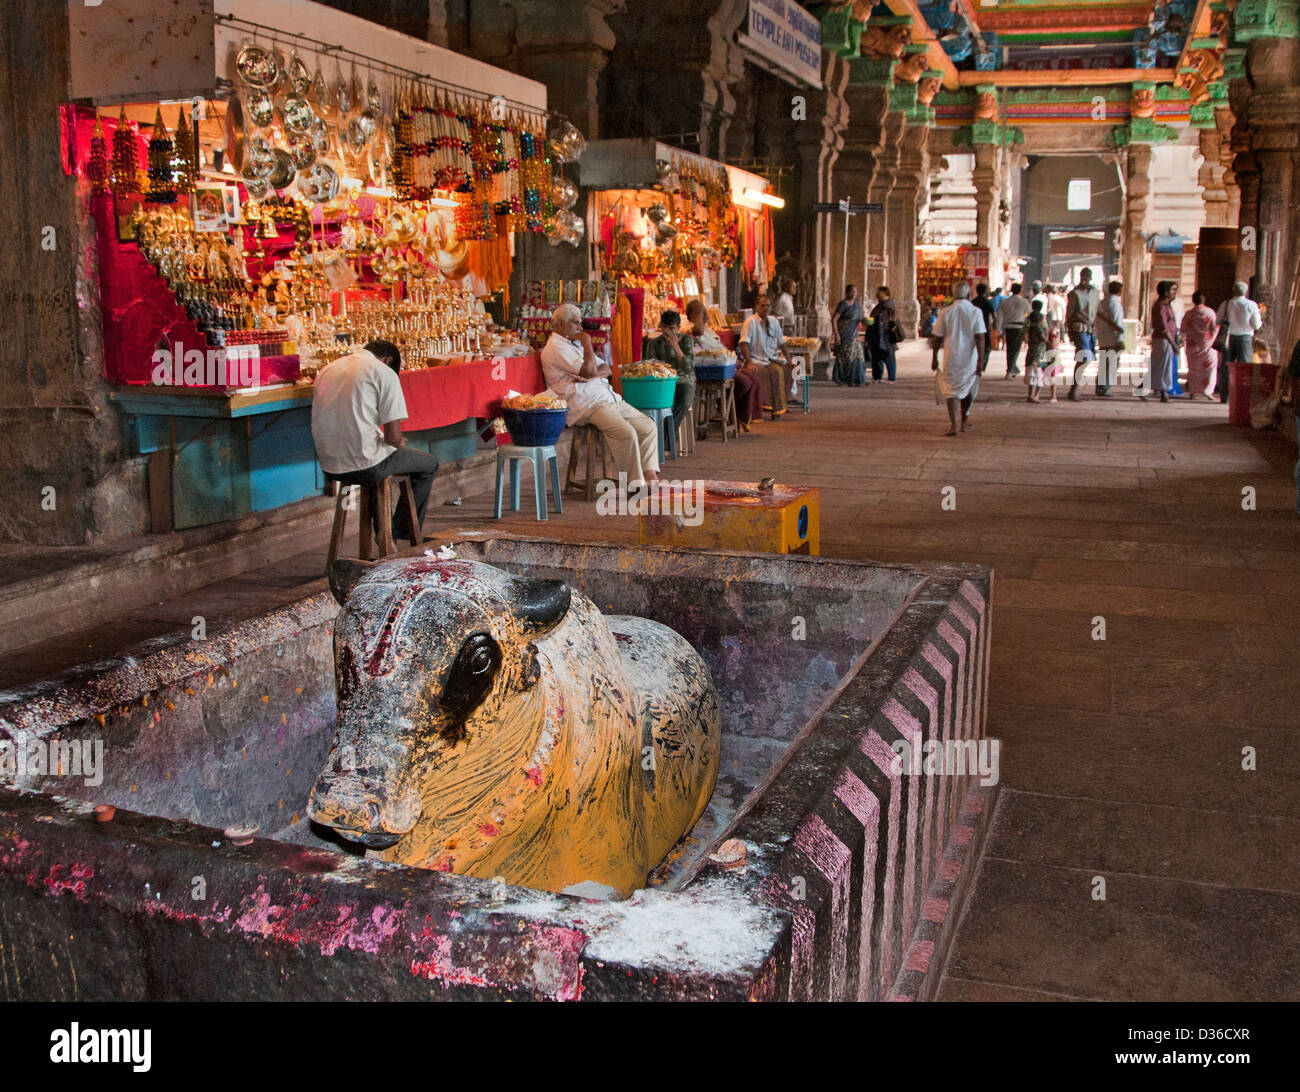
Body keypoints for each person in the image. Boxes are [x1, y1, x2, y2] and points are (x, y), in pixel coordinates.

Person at [311, 340, 440, 544]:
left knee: (375, 466)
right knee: (428, 464)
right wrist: (399, 442)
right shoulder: (384, 373)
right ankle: (397, 534)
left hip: (329, 465)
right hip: (364, 464)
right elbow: (393, 437)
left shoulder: (328, 369)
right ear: (388, 360)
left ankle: (384, 534)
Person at [541, 303, 659, 488]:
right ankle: (635, 485)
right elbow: (589, 370)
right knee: (625, 433)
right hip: (586, 403)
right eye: (576, 323)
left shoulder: (572, 344)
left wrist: (590, 374)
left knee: (647, 426)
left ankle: (649, 474)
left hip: (606, 397)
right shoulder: (556, 346)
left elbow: (606, 368)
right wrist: (587, 343)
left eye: (581, 323)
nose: (580, 328)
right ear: (562, 324)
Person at [686, 299, 761, 432]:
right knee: (744, 383)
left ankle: (738, 416)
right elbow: (701, 353)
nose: (703, 315)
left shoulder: (709, 331)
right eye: (699, 313)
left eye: (703, 312)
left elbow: (720, 348)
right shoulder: (689, 333)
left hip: (724, 364)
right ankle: (727, 409)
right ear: (692, 316)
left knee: (754, 379)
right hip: (710, 368)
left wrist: (733, 359)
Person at [931, 281, 986, 436]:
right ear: (969, 295)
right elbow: (980, 337)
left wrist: (934, 357)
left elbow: (937, 337)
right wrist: (981, 360)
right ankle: (964, 420)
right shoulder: (975, 312)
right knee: (968, 387)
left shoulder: (946, 311)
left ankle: (954, 425)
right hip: (969, 357)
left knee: (951, 390)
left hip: (951, 356)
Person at [738, 294, 795, 418]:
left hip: (771, 358)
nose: (765, 308)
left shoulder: (774, 321)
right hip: (755, 359)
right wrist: (749, 362)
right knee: (768, 373)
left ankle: (779, 406)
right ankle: (765, 407)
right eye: (762, 305)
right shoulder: (750, 322)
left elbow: (782, 342)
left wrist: (789, 360)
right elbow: (743, 343)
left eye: (768, 306)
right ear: (756, 307)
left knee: (786, 370)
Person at [643, 309, 696, 436]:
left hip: (684, 380)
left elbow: (689, 367)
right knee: (658, 405)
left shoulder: (686, 341)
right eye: (665, 328)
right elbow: (650, 367)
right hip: (663, 383)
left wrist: (676, 347)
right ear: (661, 327)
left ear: (678, 327)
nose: (668, 332)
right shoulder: (654, 344)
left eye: (672, 328)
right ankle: (665, 439)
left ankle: (666, 439)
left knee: (684, 402)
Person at [1066, 267, 1102, 401]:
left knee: (1086, 358)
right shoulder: (1074, 293)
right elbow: (1069, 313)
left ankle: (1074, 388)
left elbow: (1098, 310)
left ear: (1091, 278)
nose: (1085, 280)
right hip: (1078, 327)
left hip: (1090, 329)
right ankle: (1074, 389)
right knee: (1084, 356)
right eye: (1083, 277)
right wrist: (1069, 332)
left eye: (1087, 277)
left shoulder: (1095, 293)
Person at [1180, 291, 1219, 400]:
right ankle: (1208, 389)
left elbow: (1183, 330)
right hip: (1207, 345)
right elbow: (1214, 328)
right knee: (1210, 367)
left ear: (1193, 301)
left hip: (1192, 345)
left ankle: (1193, 392)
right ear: (1204, 300)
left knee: (1193, 369)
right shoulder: (1210, 312)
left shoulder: (1189, 314)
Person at [1144, 280, 1179, 403]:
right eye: (1172, 290)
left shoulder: (1167, 305)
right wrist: (1174, 345)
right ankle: (1164, 394)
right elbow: (1164, 328)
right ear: (1165, 292)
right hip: (1163, 340)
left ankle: (1143, 388)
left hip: (1167, 340)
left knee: (1159, 367)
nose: (1175, 292)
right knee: (1163, 368)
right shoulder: (1160, 307)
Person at [829, 284, 866, 387]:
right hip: (844, 333)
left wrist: (865, 321)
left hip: (854, 335)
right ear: (847, 293)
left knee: (857, 356)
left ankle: (856, 379)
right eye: (852, 292)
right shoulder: (844, 304)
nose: (854, 294)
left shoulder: (857, 304)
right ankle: (842, 379)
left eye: (855, 292)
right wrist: (836, 334)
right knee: (845, 356)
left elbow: (859, 318)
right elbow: (835, 319)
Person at [1094, 279, 1125, 394]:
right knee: (1111, 365)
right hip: (1112, 338)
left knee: (1104, 364)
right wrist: (1120, 339)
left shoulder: (1103, 302)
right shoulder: (1115, 302)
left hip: (1103, 337)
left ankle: (1100, 387)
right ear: (1119, 291)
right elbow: (1117, 322)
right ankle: (1104, 388)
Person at [1222, 281, 1262, 365]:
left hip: (1230, 338)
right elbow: (1256, 325)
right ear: (1246, 292)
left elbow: (1218, 320)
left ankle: (1228, 378)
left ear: (1233, 290)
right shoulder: (1251, 305)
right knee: (1244, 367)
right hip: (1245, 338)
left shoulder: (1226, 304)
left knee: (1228, 367)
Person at [998, 282, 1031, 378]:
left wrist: (999, 330)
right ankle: (1010, 370)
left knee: (1010, 349)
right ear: (1020, 291)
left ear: (1011, 290)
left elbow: (1000, 316)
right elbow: (1029, 313)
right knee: (1016, 350)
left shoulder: (1004, 302)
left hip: (1008, 328)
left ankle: (1013, 368)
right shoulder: (1023, 301)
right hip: (1019, 328)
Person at [1024, 307, 1056, 403]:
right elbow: (1044, 339)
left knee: (1033, 376)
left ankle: (1031, 395)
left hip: (1031, 353)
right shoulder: (1038, 329)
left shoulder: (1029, 328)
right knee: (1037, 375)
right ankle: (1033, 396)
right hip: (1038, 355)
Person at [867, 285, 898, 383]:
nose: (877, 294)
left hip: (885, 335)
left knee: (888, 357)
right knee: (877, 357)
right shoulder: (879, 306)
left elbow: (885, 320)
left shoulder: (887, 305)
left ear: (885, 293)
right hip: (877, 335)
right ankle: (877, 377)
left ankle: (891, 377)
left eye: (879, 292)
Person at [972, 284, 996, 374]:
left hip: (974, 327)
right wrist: (995, 325)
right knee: (987, 347)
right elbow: (994, 315)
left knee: (975, 346)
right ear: (985, 291)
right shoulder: (988, 302)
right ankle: (982, 364)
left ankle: (976, 364)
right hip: (985, 327)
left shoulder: (973, 302)